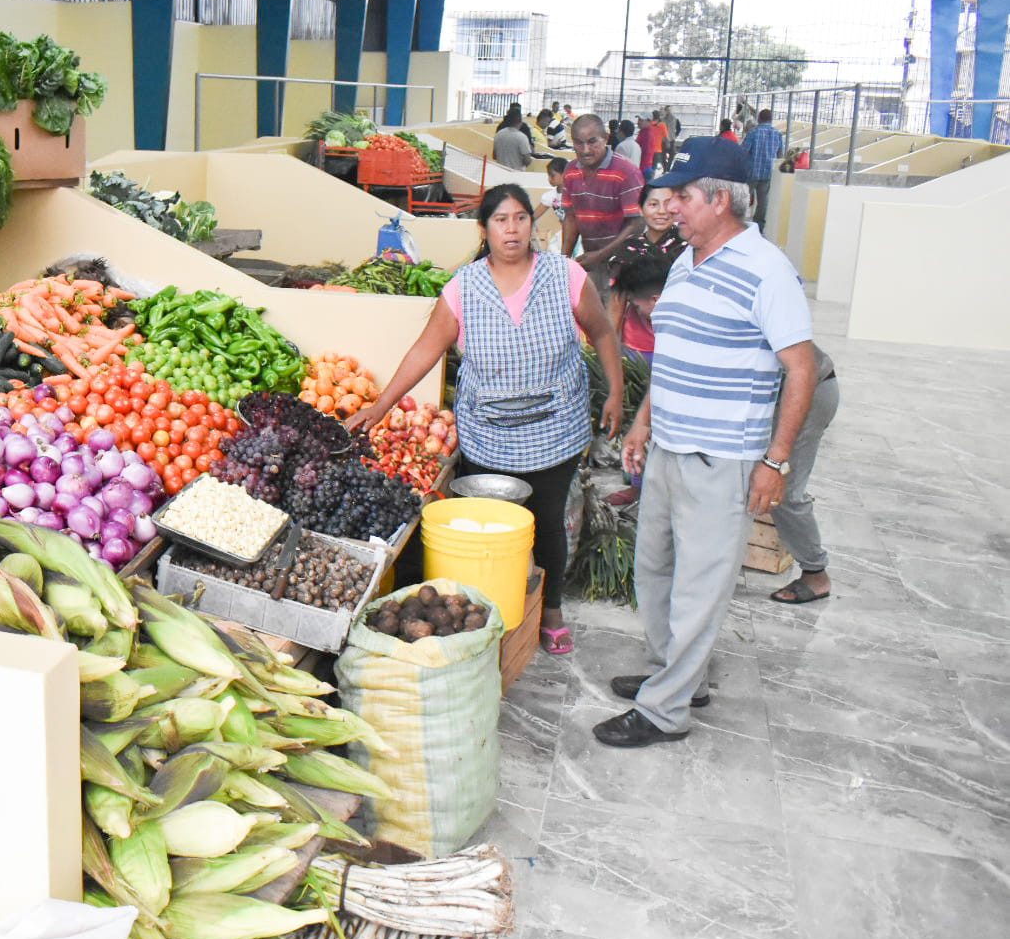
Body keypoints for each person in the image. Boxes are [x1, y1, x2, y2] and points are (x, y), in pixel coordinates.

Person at [596, 137, 817, 748]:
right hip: (669, 444)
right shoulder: (688, 260)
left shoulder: (766, 269)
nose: (671, 207)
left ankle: (666, 712)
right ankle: (677, 676)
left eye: (683, 196)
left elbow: (798, 369)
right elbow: (676, 354)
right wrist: (643, 423)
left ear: (720, 200)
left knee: (700, 584)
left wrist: (774, 460)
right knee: (657, 570)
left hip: (722, 458)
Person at [347, 184, 625, 656]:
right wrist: (381, 405)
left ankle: (551, 608)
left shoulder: (565, 275)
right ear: (485, 229)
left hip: (553, 427)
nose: (512, 228)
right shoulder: (463, 287)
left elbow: (601, 331)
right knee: (489, 526)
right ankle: (484, 605)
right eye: (501, 220)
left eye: (520, 218)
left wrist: (616, 391)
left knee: (547, 522)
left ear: (532, 226)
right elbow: (425, 351)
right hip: (489, 434)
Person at [767, 344, 839, 604]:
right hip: (776, 392)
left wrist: (776, 458)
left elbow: (802, 369)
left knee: (783, 490)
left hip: (808, 391)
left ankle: (815, 574)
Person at [559, 114, 645, 291]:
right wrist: (564, 262)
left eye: (592, 142)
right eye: (578, 143)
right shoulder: (571, 171)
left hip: (623, 264)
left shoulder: (626, 172)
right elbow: (571, 217)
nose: (585, 150)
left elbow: (637, 223)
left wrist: (600, 255)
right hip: (592, 262)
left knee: (614, 316)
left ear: (606, 138)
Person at [605, 184, 685, 360]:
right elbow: (616, 303)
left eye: (668, 204)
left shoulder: (689, 248)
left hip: (679, 345)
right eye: (653, 204)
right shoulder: (627, 250)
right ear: (641, 209)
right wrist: (609, 351)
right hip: (637, 347)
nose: (662, 212)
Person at [739, 108, 785, 232]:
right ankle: (759, 226)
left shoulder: (753, 132)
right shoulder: (778, 134)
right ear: (771, 120)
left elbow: (743, 151)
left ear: (759, 119)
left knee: (744, 197)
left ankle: (738, 223)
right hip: (768, 173)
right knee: (763, 200)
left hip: (751, 172)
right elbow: (781, 155)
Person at [639, 110, 668, 176]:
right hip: (657, 150)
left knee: (645, 167)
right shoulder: (662, 125)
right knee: (653, 169)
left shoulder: (648, 124)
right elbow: (665, 137)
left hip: (648, 149)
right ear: (658, 117)